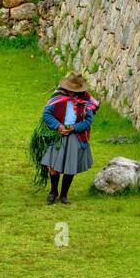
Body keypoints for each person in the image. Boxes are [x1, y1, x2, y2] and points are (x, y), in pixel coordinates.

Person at [40, 72, 99, 205]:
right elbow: (46, 114)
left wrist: (74, 128)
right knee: (53, 167)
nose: (72, 93)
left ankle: (64, 195)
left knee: (70, 167)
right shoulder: (58, 98)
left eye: (75, 91)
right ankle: (53, 192)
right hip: (58, 135)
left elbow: (88, 121)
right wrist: (59, 126)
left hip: (75, 136)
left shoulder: (85, 102)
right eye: (71, 90)